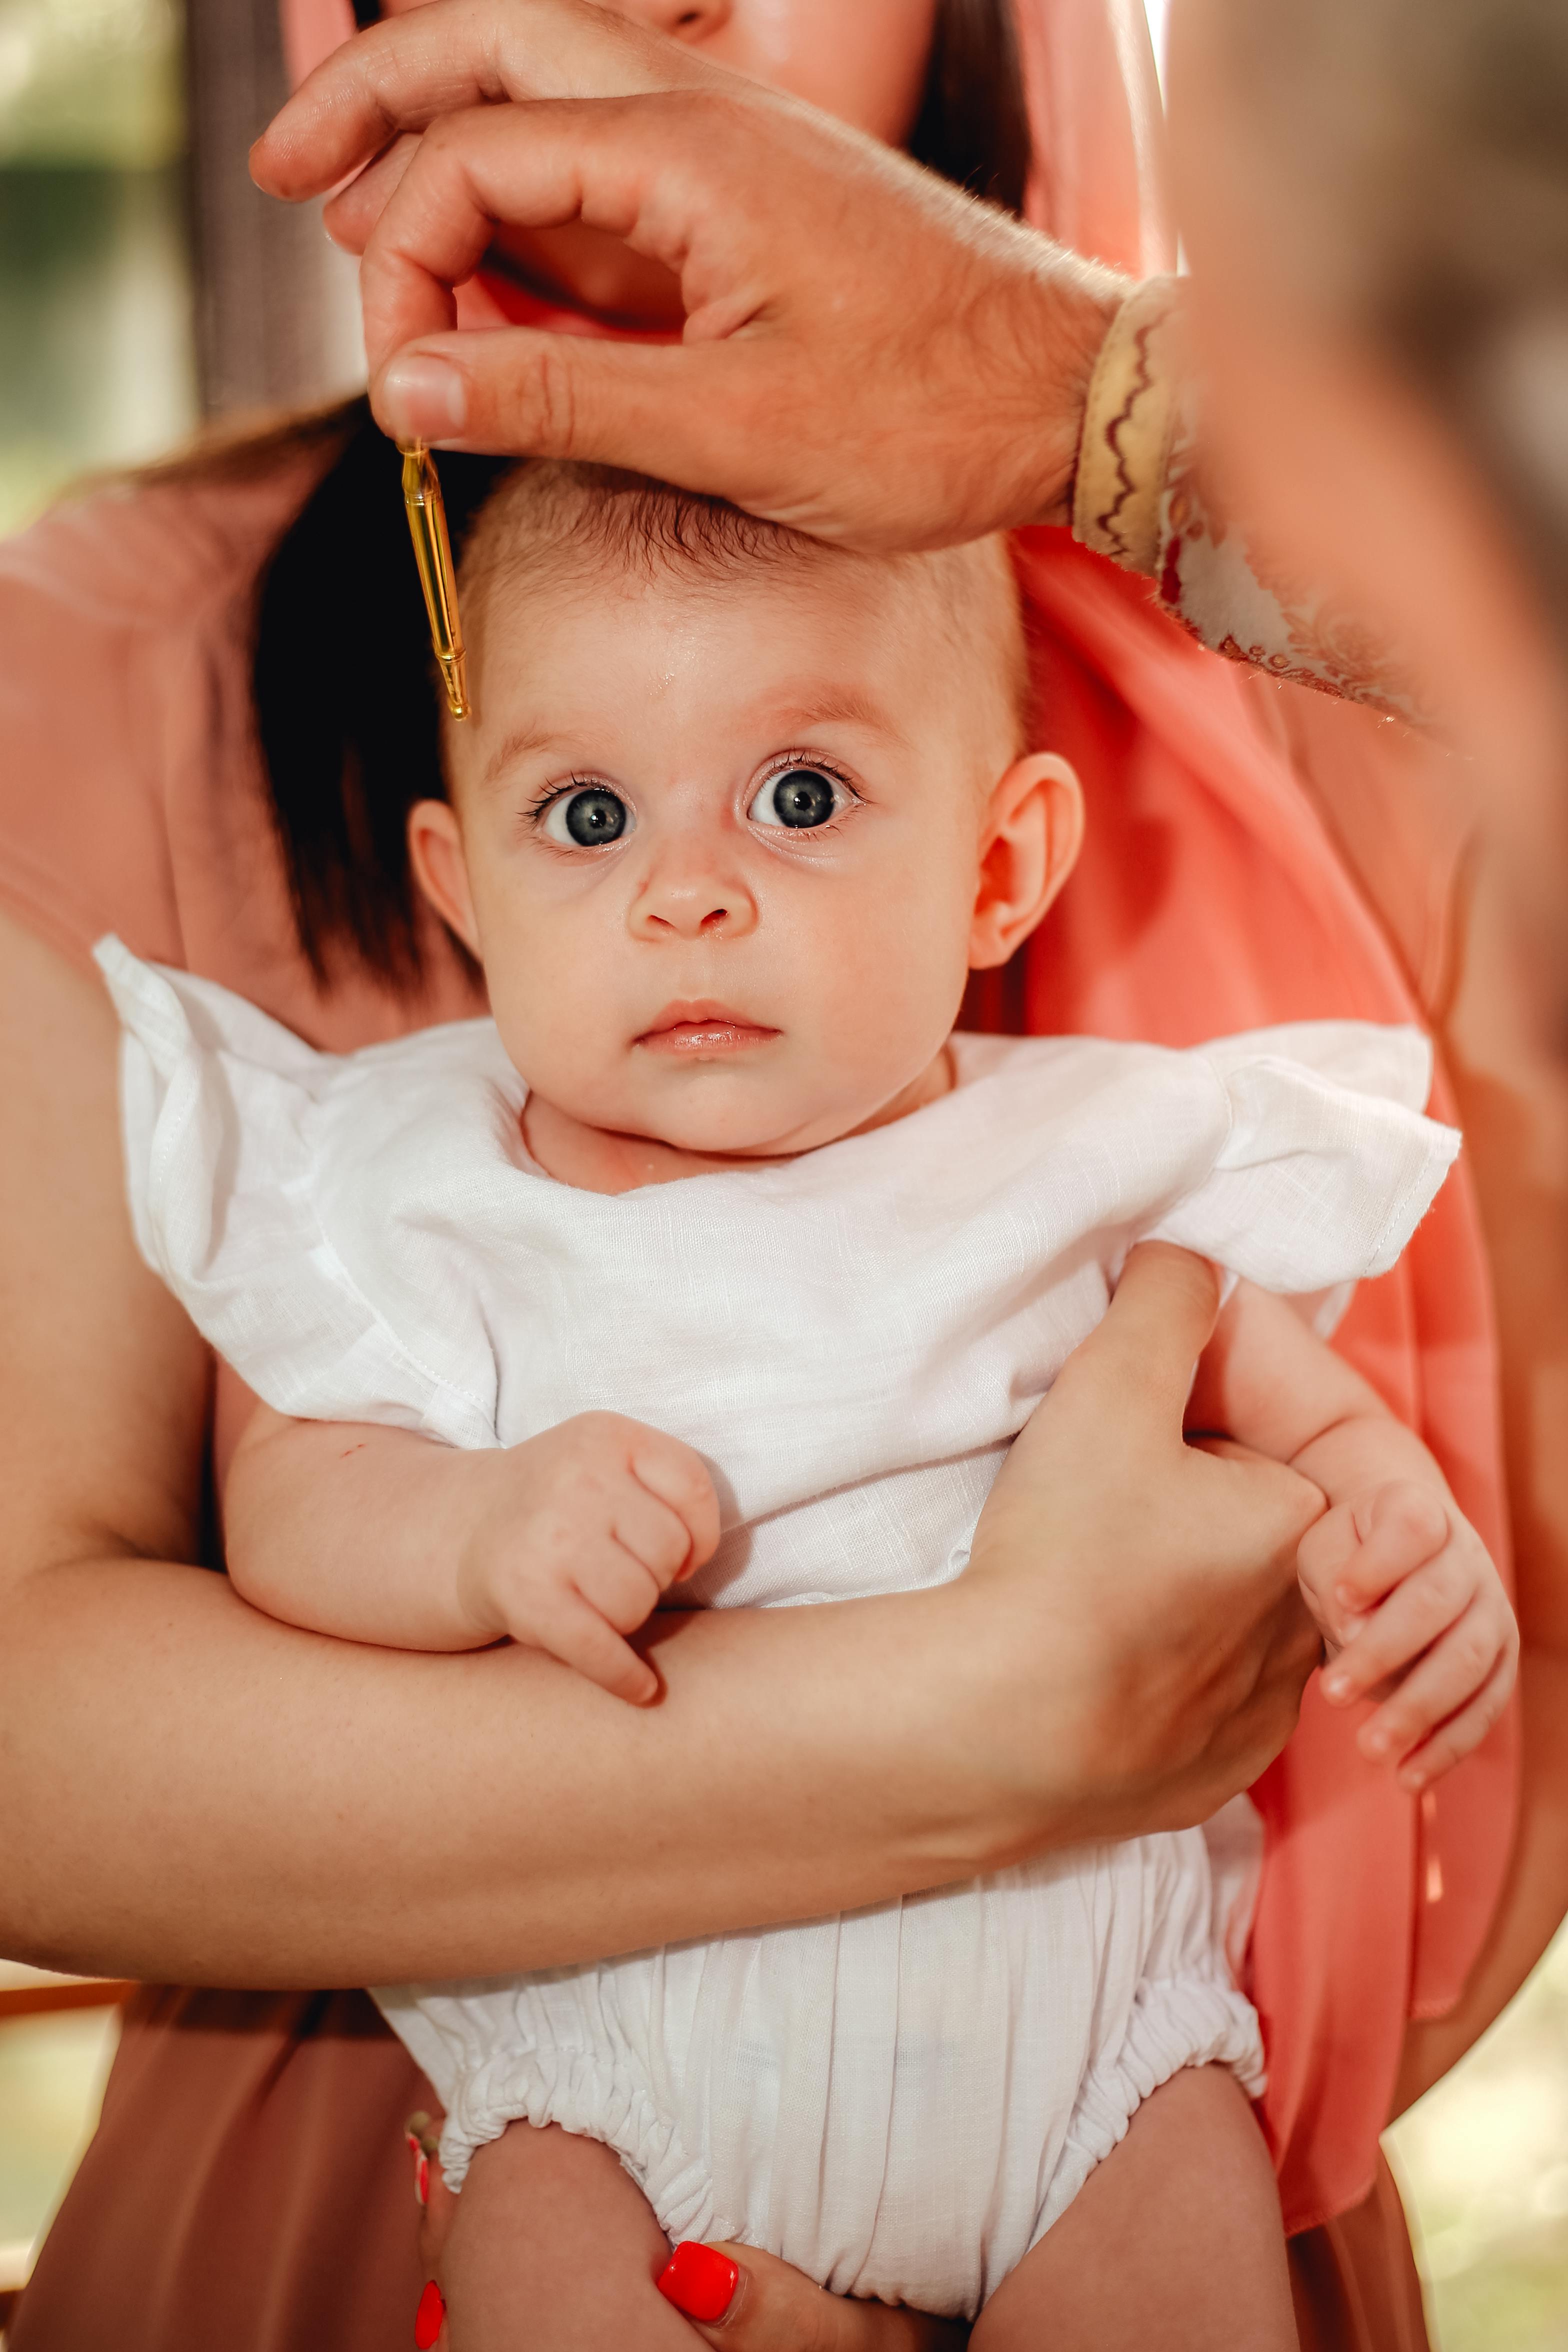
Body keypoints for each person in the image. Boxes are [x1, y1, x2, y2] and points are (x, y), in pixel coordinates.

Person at [0, 6, 1524, 2349]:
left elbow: (1257, 1348)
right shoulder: (364, 1102)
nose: (691, 897)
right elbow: (147, 1616)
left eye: (804, 800)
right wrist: (944, 1703)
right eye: (587, 817)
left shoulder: (1297, 627)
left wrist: (1095, 400)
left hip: (1100, 2083)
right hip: (528, 2124)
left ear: (1007, 859)